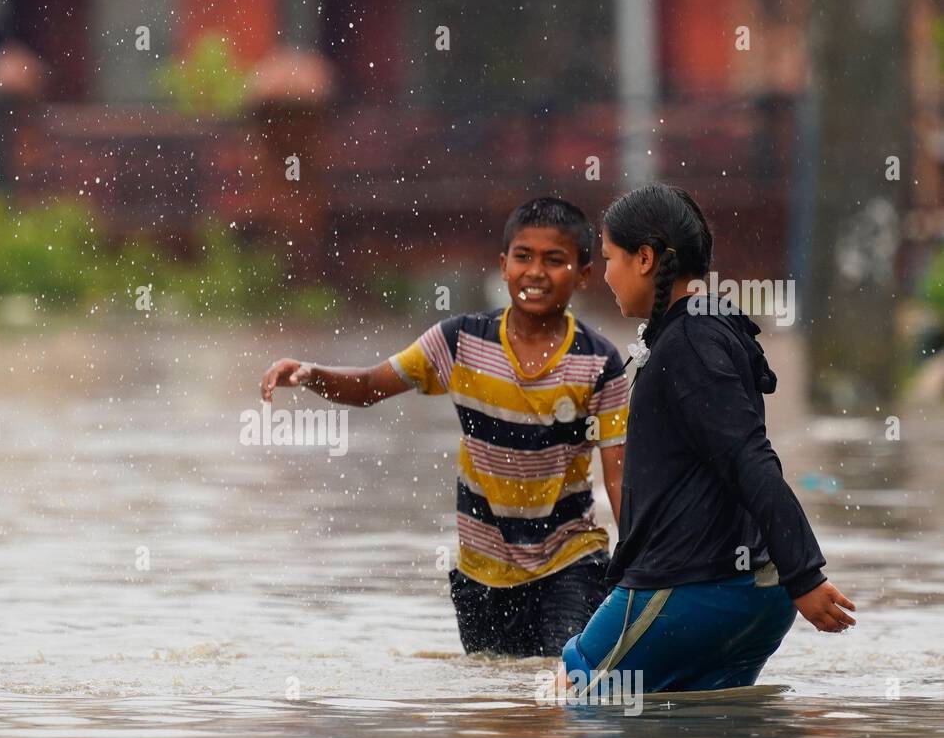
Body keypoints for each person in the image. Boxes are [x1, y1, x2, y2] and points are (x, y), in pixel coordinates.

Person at [262, 197, 628, 656]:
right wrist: (313, 373)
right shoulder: (460, 340)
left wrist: (635, 565)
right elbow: (372, 385)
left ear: (582, 274)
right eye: (523, 257)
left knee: (563, 683)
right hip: (481, 569)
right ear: (503, 265)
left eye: (555, 261)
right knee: (495, 698)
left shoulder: (600, 362)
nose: (536, 272)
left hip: (571, 561)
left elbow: (617, 473)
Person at [559, 182, 855, 696]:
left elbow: (751, 459)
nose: (604, 274)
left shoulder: (689, 343)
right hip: (754, 595)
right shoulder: (712, 324)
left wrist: (805, 574)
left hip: (692, 589)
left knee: (562, 703)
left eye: (609, 258)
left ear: (645, 258)